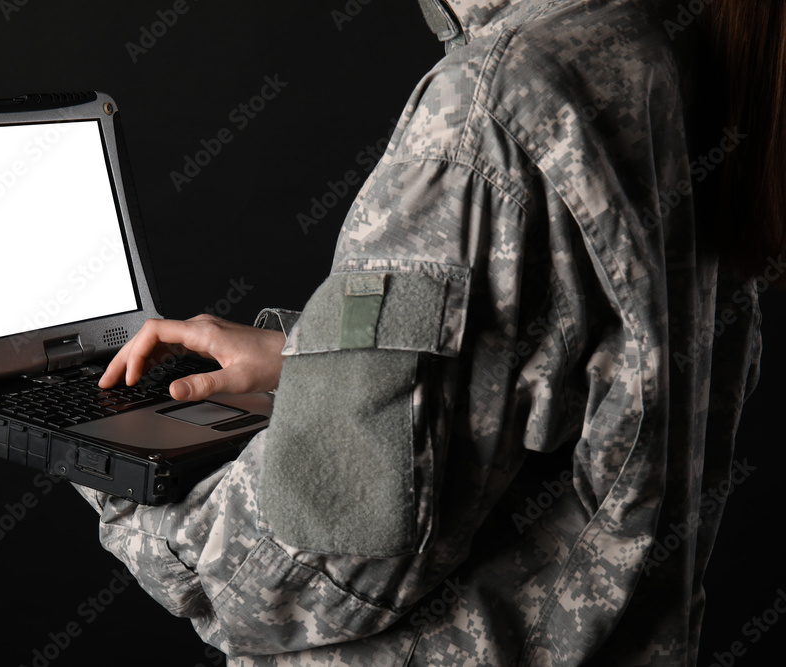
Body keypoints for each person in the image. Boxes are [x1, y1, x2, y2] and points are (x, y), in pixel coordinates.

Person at [73, 0, 785, 664]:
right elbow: (577, 374)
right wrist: (317, 361)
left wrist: (101, 458)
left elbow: (283, 575)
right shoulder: (650, 40)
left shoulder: (490, 108)